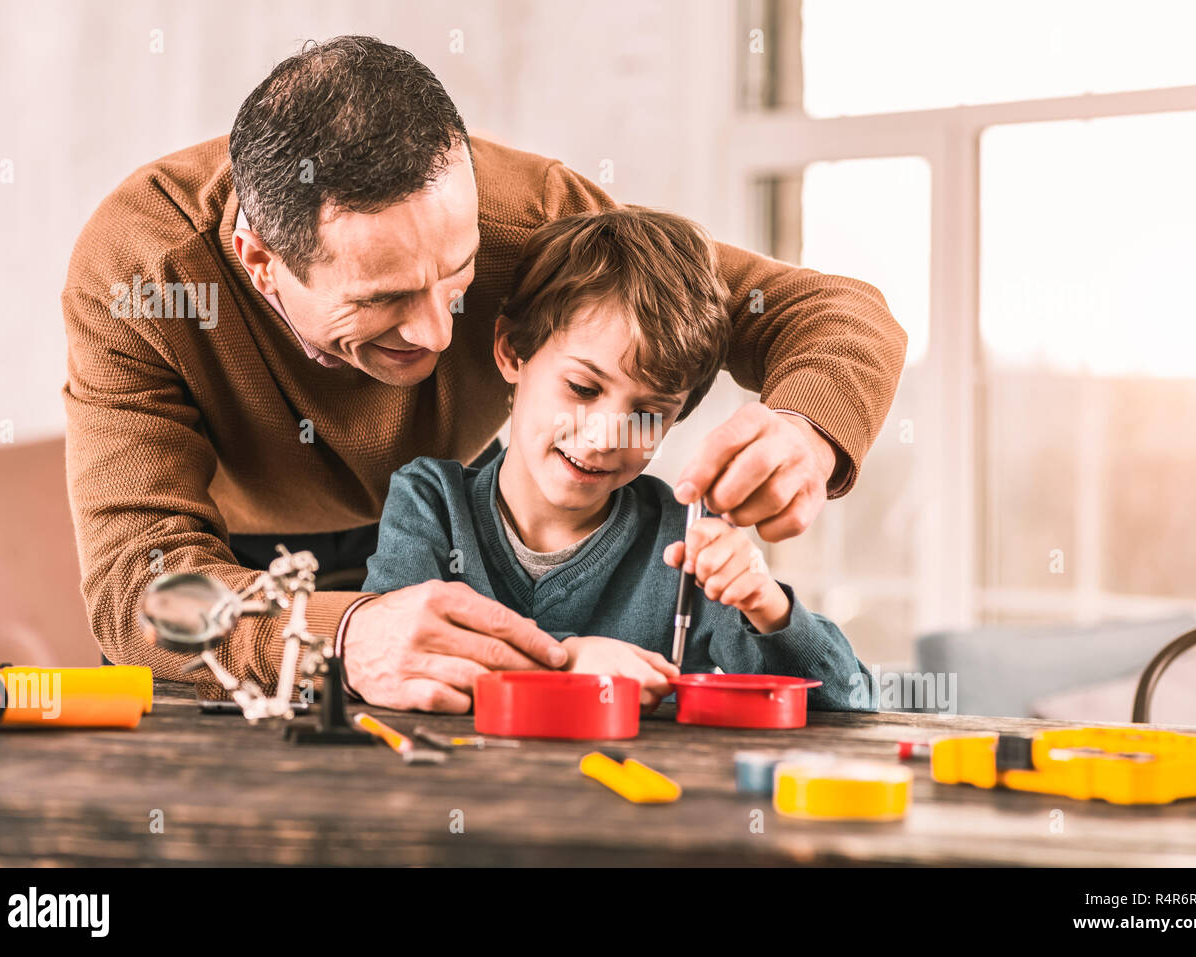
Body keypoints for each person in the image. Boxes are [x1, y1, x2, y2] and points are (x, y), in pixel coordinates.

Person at [62, 36, 905, 712]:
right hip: (237, 566)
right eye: (387, 296)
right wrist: (343, 632)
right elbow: (145, 585)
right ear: (258, 259)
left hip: (432, 527)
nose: (435, 333)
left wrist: (805, 426)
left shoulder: (531, 215)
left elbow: (831, 311)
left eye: (461, 275)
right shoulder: (140, 272)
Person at [361, 208, 873, 712]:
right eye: (583, 388)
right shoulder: (429, 502)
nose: (606, 437)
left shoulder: (686, 540)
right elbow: (396, 661)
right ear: (512, 353)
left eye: (648, 412)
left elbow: (852, 701)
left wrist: (767, 606)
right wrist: (566, 663)